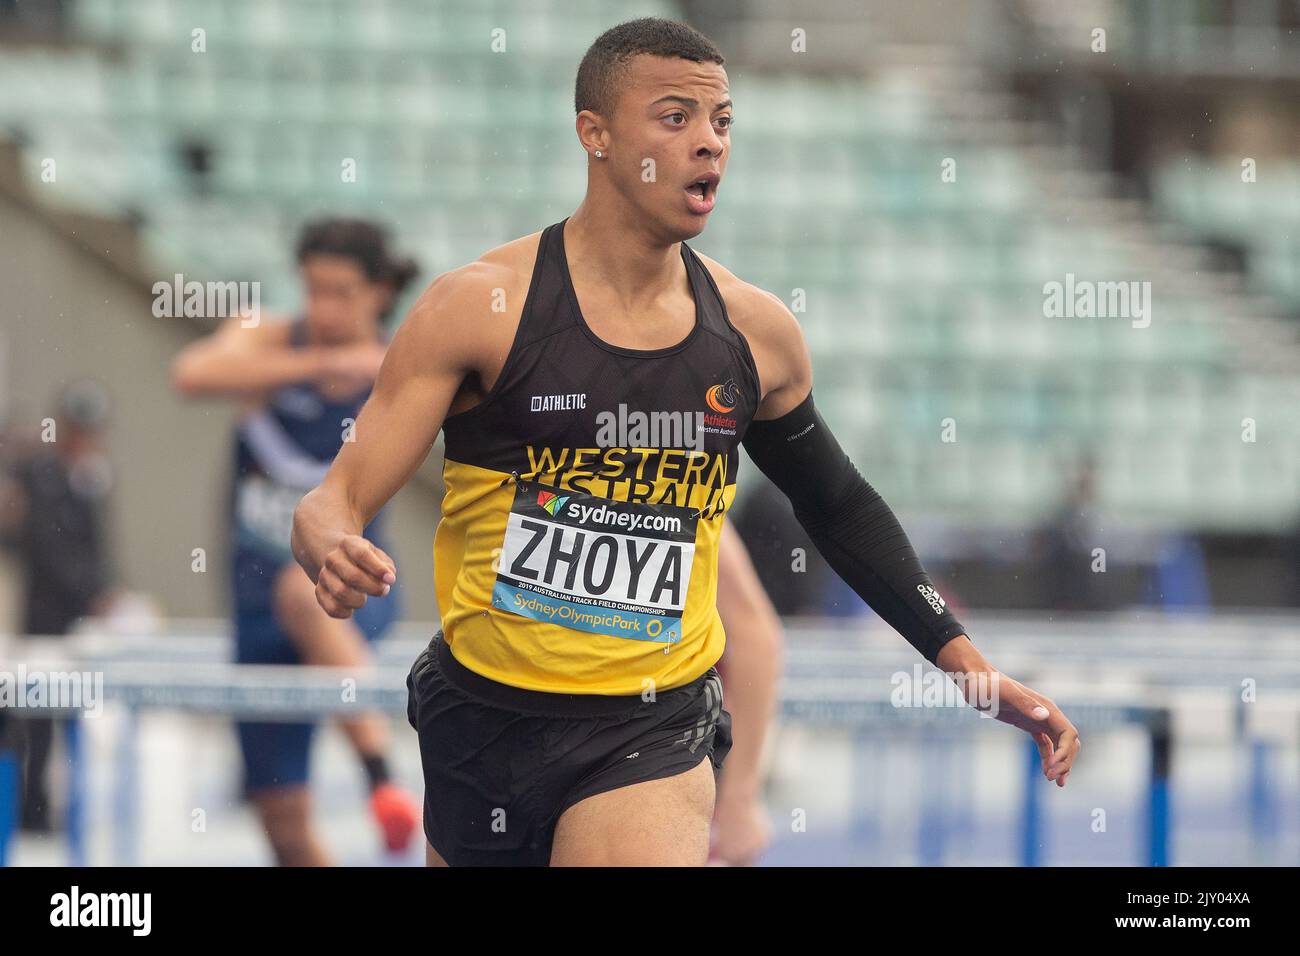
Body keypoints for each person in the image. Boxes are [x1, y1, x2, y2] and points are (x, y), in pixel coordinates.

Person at [292, 17, 1081, 867]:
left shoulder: (755, 335)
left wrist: (963, 661)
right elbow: (334, 499)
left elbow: (840, 505)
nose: (708, 144)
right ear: (594, 134)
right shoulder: (478, 310)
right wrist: (328, 543)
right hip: (481, 719)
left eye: (723, 122)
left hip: (653, 723)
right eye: (675, 119)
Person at [172, 218, 421, 865]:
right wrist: (325, 361)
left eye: (341, 293)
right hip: (253, 605)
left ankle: (380, 779)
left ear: (379, 292)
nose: (323, 309)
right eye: (313, 290)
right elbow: (192, 372)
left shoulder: (399, 368)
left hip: (351, 596)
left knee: (302, 588)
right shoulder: (270, 343)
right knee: (282, 824)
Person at [2, 381, 115, 832]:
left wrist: (106, 592)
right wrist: (94, 591)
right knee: (36, 717)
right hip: (42, 617)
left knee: (75, 714)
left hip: (78, 620)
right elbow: (49, 550)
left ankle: (62, 804)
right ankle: (32, 804)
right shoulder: (40, 477)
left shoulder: (90, 479)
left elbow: (96, 547)